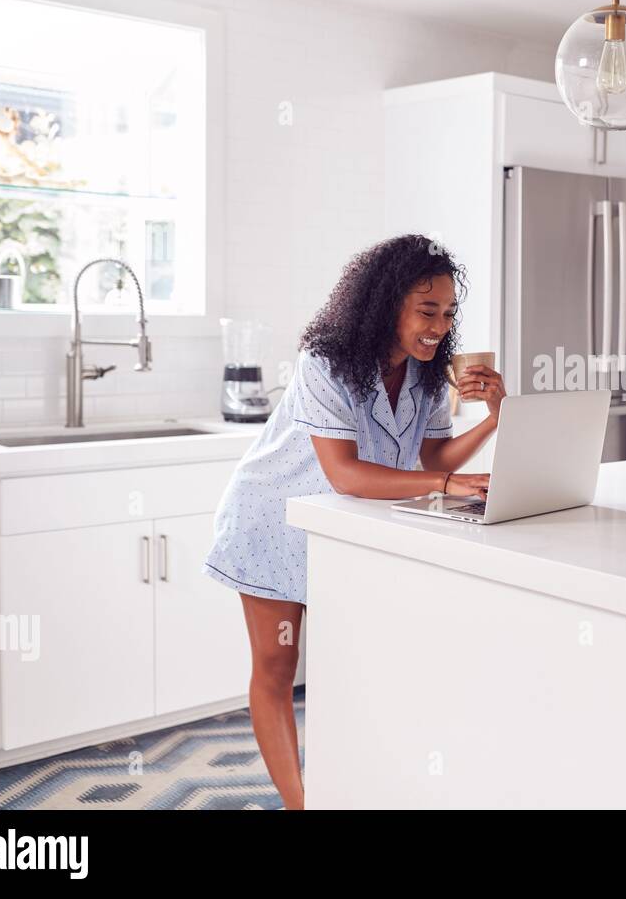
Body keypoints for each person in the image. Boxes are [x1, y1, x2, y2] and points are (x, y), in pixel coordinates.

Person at [202, 234, 504, 809]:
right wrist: (444, 487)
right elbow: (345, 473)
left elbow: (434, 457)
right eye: (425, 311)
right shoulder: (326, 364)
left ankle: (362, 786)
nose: (439, 326)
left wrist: (497, 417)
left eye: (447, 313)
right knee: (276, 664)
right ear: (386, 304)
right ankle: (302, 804)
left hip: (350, 529)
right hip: (274, 520)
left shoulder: (426, 375)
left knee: (359, 664)